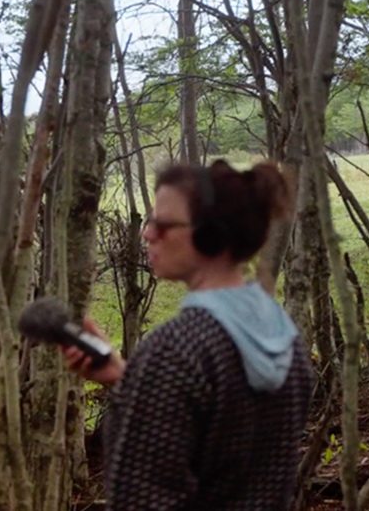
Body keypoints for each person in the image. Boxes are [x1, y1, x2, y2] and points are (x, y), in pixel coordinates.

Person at [62, 159, 314, 510]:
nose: (147, 234)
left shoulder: (175, 349)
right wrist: (129, 380)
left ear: (211, 234)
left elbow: (142, 498)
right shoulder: (283, 336)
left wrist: (147, 382)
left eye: (163, 225)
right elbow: (223, 439)